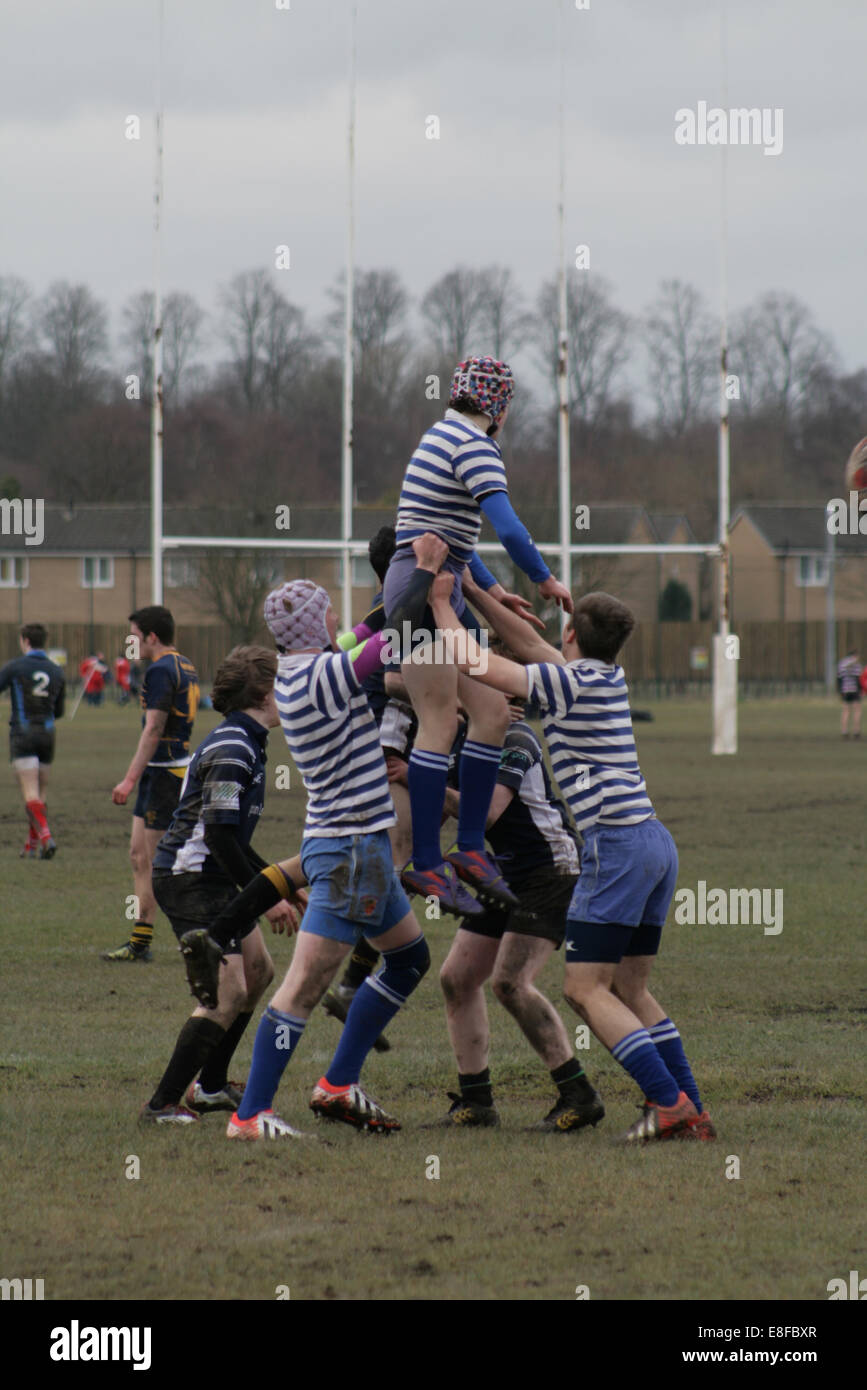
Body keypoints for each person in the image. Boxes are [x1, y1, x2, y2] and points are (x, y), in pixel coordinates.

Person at [181, 534, 450, 1138]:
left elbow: (365, 629)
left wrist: (397, 589)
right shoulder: (326, 674)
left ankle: (338, 1083)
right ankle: (251, 1115)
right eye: (329, 614)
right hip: (352, 850)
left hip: (357, 848)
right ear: (313, 627)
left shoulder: (300, 669)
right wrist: (427, 571)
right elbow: (395, 633)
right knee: (301, 990)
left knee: (409, 958)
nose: (339, 620)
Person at [430, 575, 715, 1144]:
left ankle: (668, 1104)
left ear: (570, 633)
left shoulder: (566, 684)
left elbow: (484, 666)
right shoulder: (603, 674)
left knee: (585, 989)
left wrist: (441, 602)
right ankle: (693, 1110)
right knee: (630, 991)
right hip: (654, 842)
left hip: (615, 846)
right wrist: (475, 590)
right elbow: (531, 648)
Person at [381, 355, 572, 916]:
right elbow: (508, 526)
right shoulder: (477, 446)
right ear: (499, 407)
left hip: (440, 583)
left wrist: (493, 588)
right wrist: (542, 578)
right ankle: (426, 863)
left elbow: (453, 531)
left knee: (490, 713)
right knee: (440, 722)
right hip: (421, 589)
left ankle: (466, 849)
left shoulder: (441, 436)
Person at [407, 677, 604, 1132]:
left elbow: (488, 812)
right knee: (457, 979)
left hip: (551, 872)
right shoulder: (462, 743)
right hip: (503, 873)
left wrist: (423, 781)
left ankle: (580, 1094)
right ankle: (477, 1102)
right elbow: (436, 815)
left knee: (511, 983)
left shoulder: (515, 741)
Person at [141, 646, 300, 1124]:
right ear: (267, 695)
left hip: (213, 873)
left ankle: (209, 1087)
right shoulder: (234, 748)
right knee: (228, 990)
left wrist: (280, 883)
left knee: (259, 973)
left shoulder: (245, 738)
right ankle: (162, 1104)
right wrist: (266, 896)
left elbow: (229, 836)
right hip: (191, 878)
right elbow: (218, 836)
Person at [103, 607, 199, 962]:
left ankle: (195, 935)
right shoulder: (183, 663)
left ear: (152, 637)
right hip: (158, 771)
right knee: (139, 855)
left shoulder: (160, 670)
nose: (131, 641)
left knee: (164, 862)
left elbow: (154, 728)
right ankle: (140, 941)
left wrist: (129, 777)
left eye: (134, 635)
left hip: (165, 774)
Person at [0, 623, 65, 859]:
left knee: (30, 793)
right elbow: (59, 710)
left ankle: (46, 837)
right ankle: (32, 845)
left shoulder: (16, 667)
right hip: (48, 735)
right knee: (40, 792)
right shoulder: (57, 670)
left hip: (23, 734)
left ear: (25, 640)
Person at [837, 650, 861, 738]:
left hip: (845, 690)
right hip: (854, 690)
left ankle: (844, 731)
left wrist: (840, 691)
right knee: (857, 711)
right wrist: (860, 690)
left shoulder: (841, 664)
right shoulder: (857, 665)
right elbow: (858, 679)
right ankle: (856, 731)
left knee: (845, 711)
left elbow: (839, 678)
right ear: (854, 656)